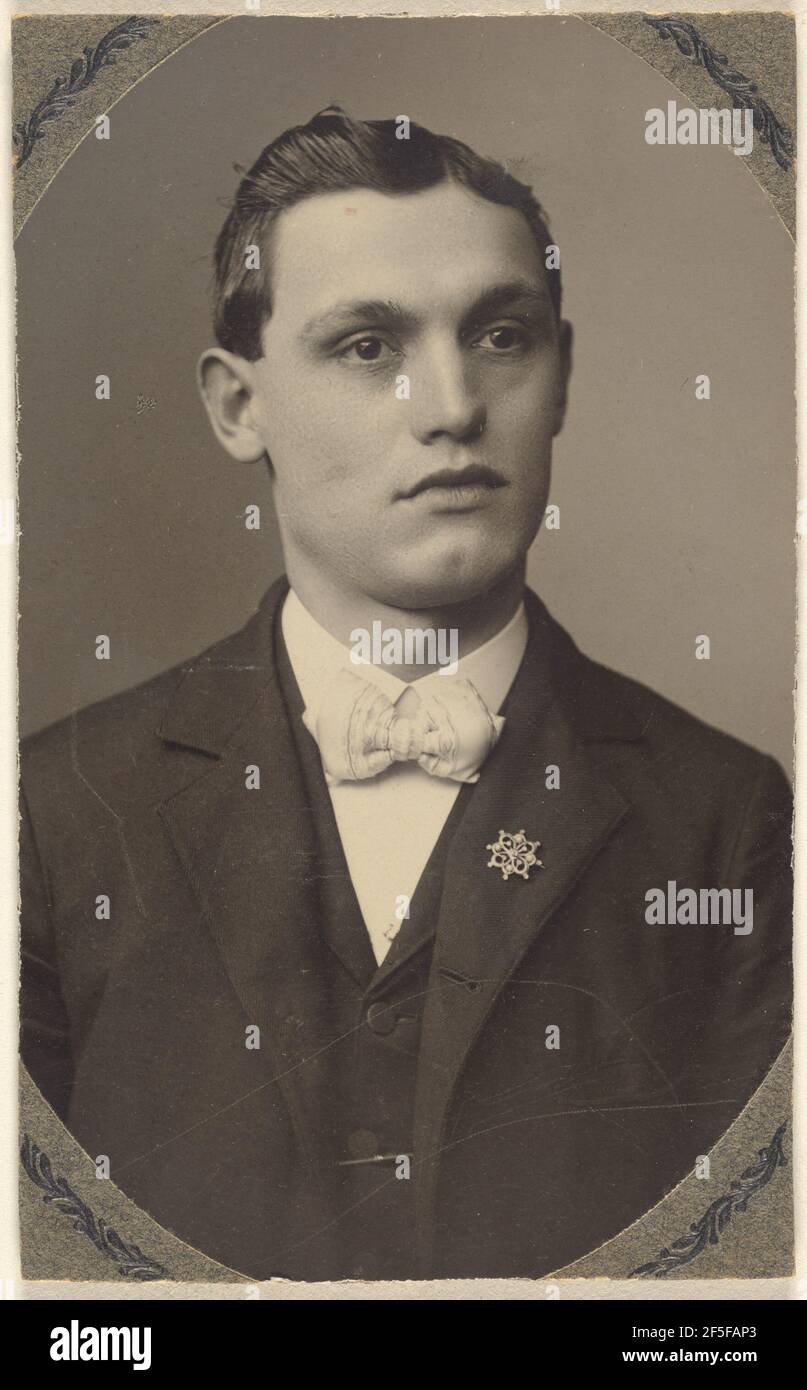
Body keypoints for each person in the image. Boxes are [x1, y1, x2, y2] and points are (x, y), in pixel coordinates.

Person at [20, 109, 792, 1281]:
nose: (451, 406)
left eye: (499, 334)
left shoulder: (726, 819)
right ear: (239, 406)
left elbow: (743, 1303)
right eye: (368, 346)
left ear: (563, 375)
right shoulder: (56, 809)